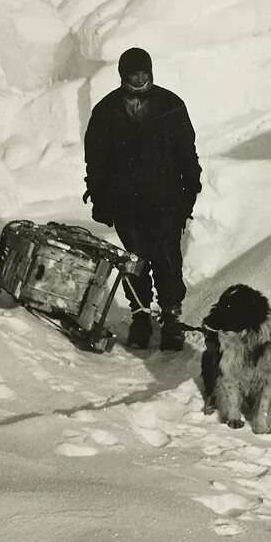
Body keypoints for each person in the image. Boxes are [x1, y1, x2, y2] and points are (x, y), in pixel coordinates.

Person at [83, 47, 201, 351]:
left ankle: (171, 318)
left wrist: (190, 191)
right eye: (133, 76)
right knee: (134, 259)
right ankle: (140, 317)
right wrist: (99, 198)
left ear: (151, 72)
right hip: (126, 202)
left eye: (144, 74)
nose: (139, 81)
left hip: (166, 200)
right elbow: (95, 160)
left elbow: (187, 153)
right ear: (123, 76)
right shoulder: (106, 110)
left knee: (167, 257)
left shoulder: (171, 105)